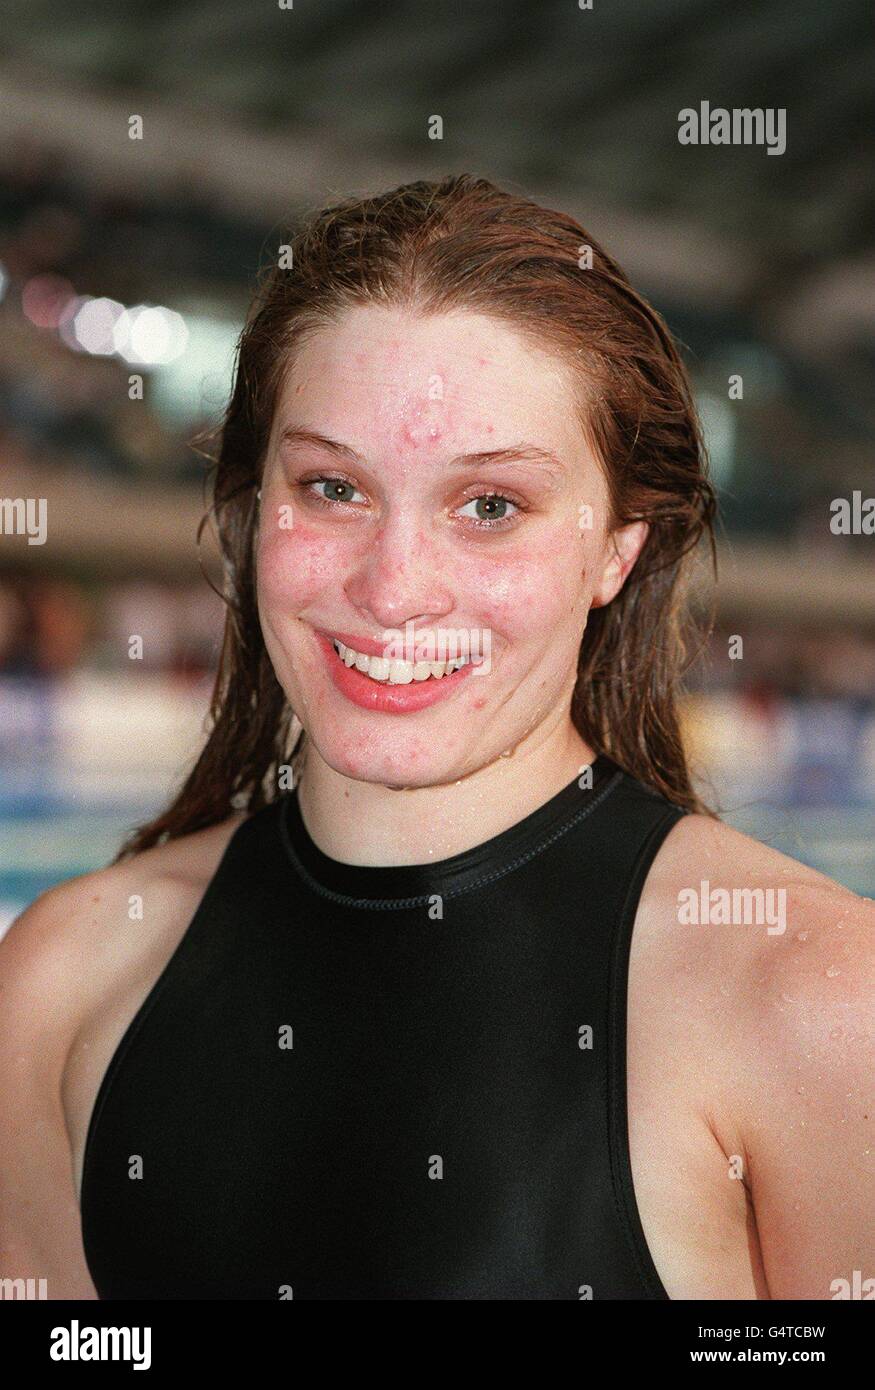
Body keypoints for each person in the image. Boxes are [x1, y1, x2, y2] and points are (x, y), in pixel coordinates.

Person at [1, 175, 872, 1300]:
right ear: (251, 506)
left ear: (615, 549)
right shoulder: (64, 979)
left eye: (490, 506)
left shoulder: (812, 996)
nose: (393, 588)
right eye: (331, 487)